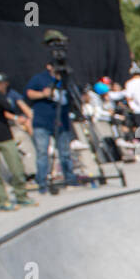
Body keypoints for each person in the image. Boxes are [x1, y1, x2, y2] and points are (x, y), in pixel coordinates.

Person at [25, 56, 82, 192]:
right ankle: (42, 181)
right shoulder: (39, 79)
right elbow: (29, 93)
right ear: (49, 66)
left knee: (65, 152)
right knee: (42, 153)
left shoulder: (66, 80)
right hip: (42, 122)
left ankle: (69, 178)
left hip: (61, 121)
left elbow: (74, 96)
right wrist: (43, 94)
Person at [0, 77, 36, 210]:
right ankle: (2, 200)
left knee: (17, 168)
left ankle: (21, 196)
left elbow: (8, 106)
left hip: (4, 136)